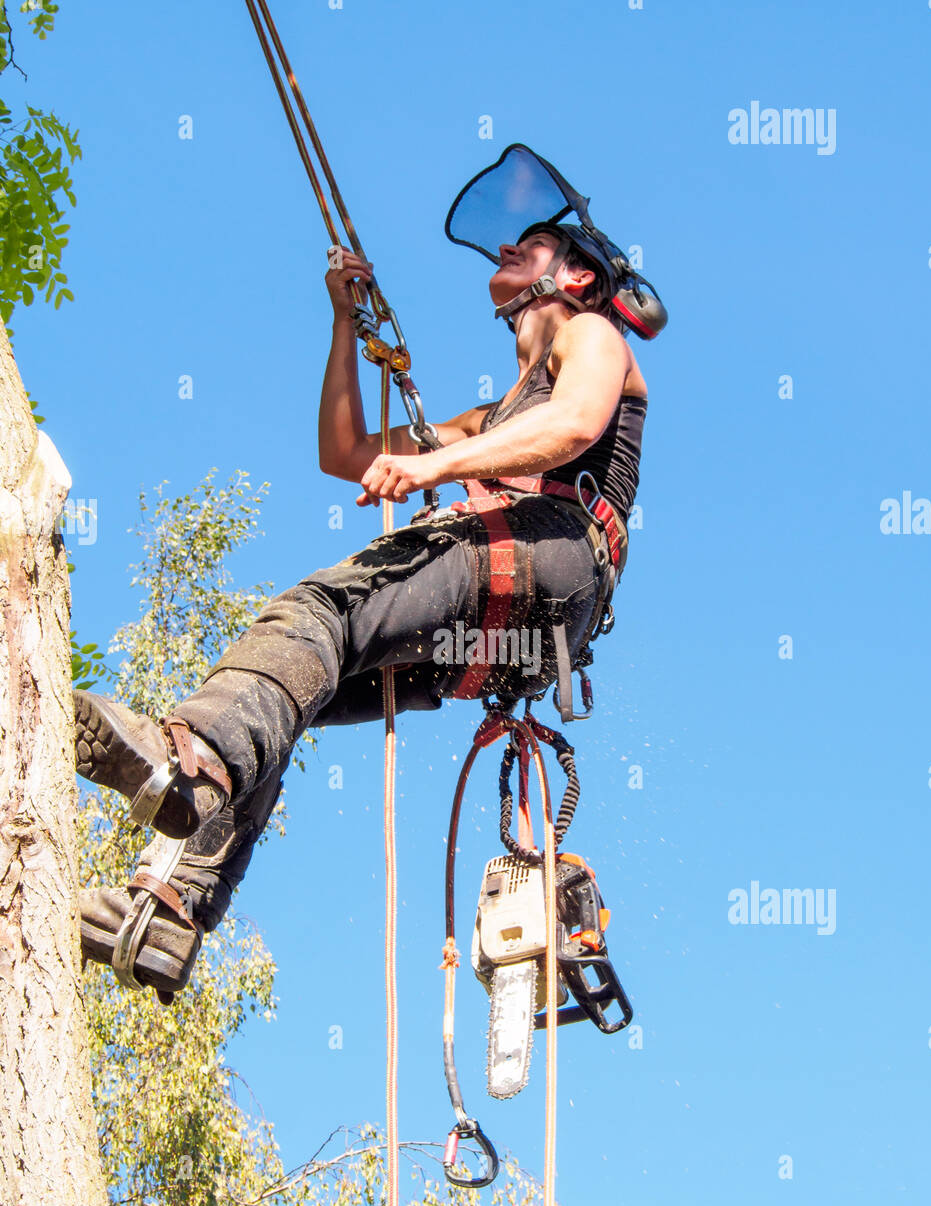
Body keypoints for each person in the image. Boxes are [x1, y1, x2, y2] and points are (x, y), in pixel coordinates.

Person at [76, 152, 662, 1003]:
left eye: (528, 245)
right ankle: (172, 907)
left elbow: (573, 428)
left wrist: (439, 470)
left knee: (317, 610)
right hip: (520, 631)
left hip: (550, 551)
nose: (506, 252)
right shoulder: (491, 415)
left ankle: (193, 758)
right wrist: (345, 326)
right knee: (290, 694)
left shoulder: (588, 335)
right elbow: (344, 454)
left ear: (572, 274)